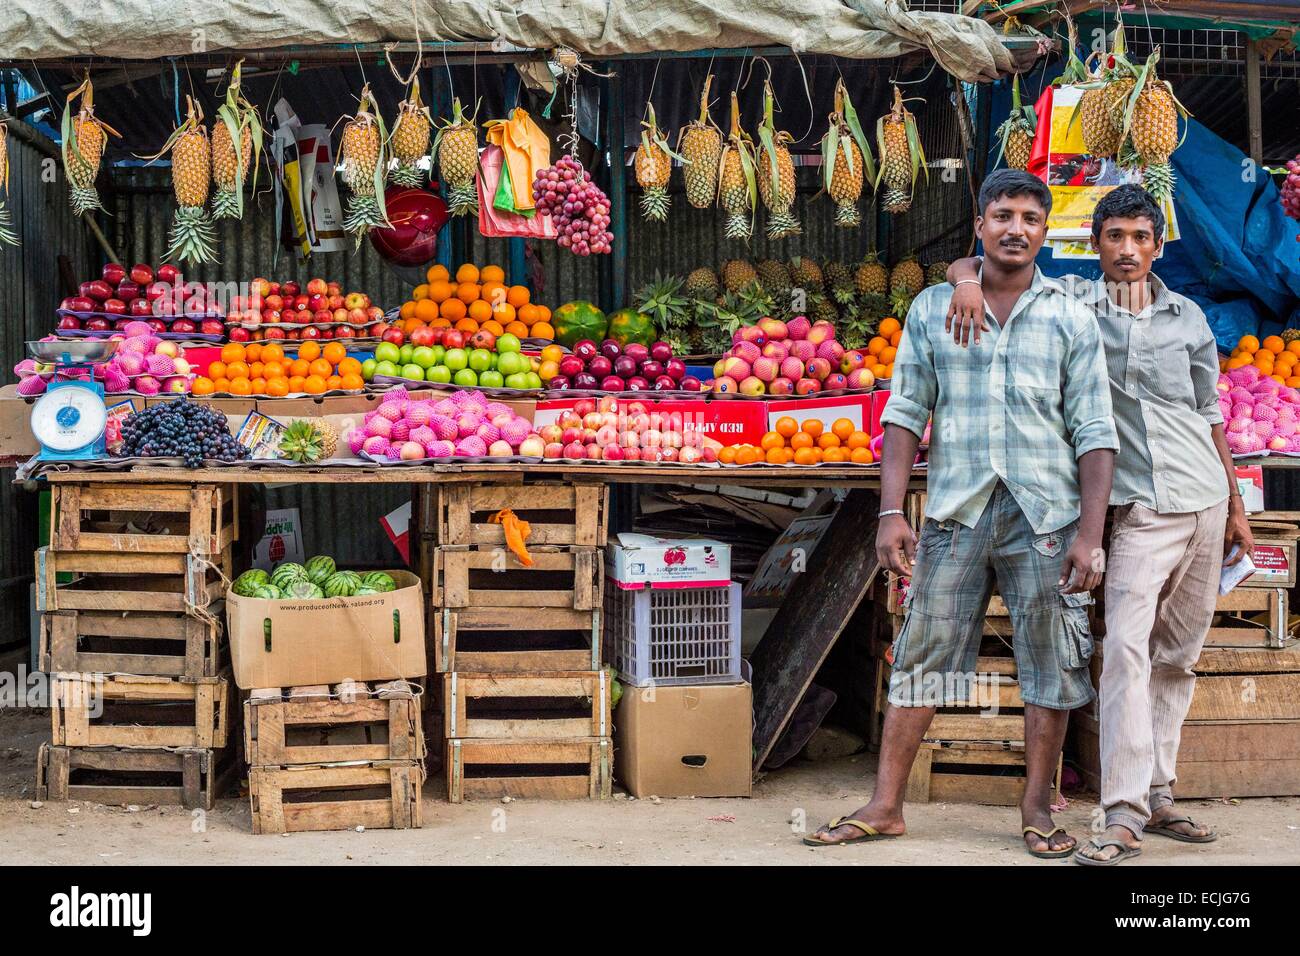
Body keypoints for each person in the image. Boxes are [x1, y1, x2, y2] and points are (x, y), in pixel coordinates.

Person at [803, 169, 1118, 857]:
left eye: (1030, 219)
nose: (1016, 229)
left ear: (1043, 232)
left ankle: (1038, 810)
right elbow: (905, 414)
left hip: (1047, 516)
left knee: (1052, 663)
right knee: (924, 656)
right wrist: (891, 511)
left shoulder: (1071, 315)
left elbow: (1095, 430)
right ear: (980, 226)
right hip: (955, 513)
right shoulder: (932, 309)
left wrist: (1090, 536)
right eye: (1002, 215)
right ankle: (886, 805)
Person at [944, 183, 1254, 865]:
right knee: (1124, 652)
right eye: (1114, 236)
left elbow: (1210, 416)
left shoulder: (1189, 319)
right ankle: (1121, 814)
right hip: (1138, 507)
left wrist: (1234, 507)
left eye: (1141, 237)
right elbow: (989, 264)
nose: (1127, 249)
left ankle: (1160, 790)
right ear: (1095, 242)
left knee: (1177, 658)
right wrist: (965, 276)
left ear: (1158, 245)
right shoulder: (1067, 305)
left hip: (1201, 499)